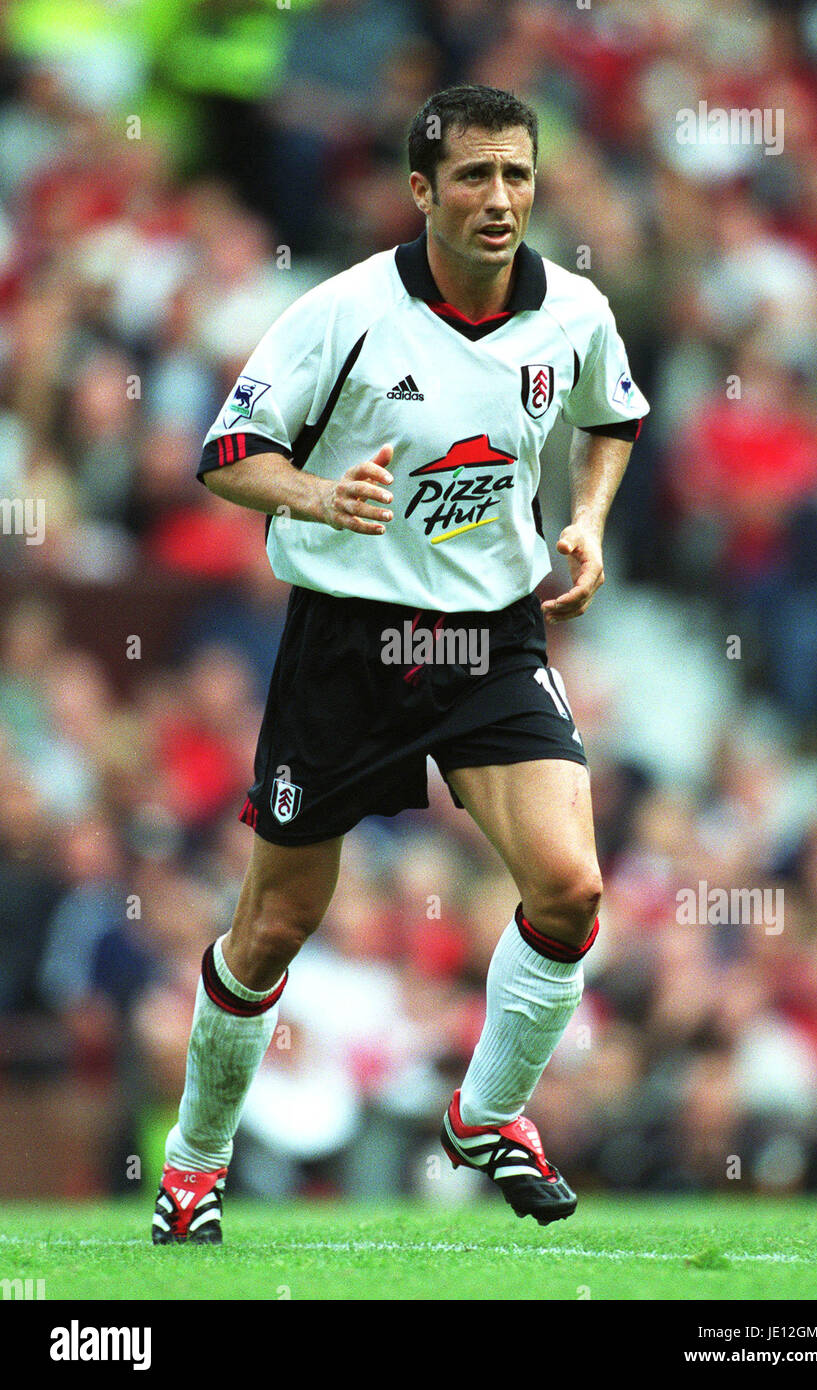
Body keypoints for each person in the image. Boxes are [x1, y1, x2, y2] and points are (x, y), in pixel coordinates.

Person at [151, 84, 649, 1244]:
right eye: (471, 176)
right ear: (420, 190)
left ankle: (484, 1118)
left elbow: (612, 414)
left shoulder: (571, 311)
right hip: (348, 641)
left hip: (487, 642)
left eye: (515, 175)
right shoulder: (341, 312)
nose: (497, 199)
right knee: (273, 926)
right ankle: (193, 1163)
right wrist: (321, 494)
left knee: (570, 889)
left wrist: (589, 522)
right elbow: (227, 455)